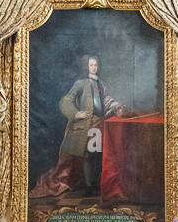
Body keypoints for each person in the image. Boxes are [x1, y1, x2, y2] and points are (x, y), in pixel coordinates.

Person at [29, 54, 131, 199]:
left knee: (98, 155)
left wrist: (117, 107)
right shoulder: (81, 83)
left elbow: (106, 101)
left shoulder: (101, 84)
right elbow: (66, 100)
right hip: (86, 125)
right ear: (86, 66)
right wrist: (76, 114)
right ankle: (89, 187)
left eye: (96, 65)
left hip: (99, 124)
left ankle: (95, 184)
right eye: (91, 65)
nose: (94, 67)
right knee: (89, 155)